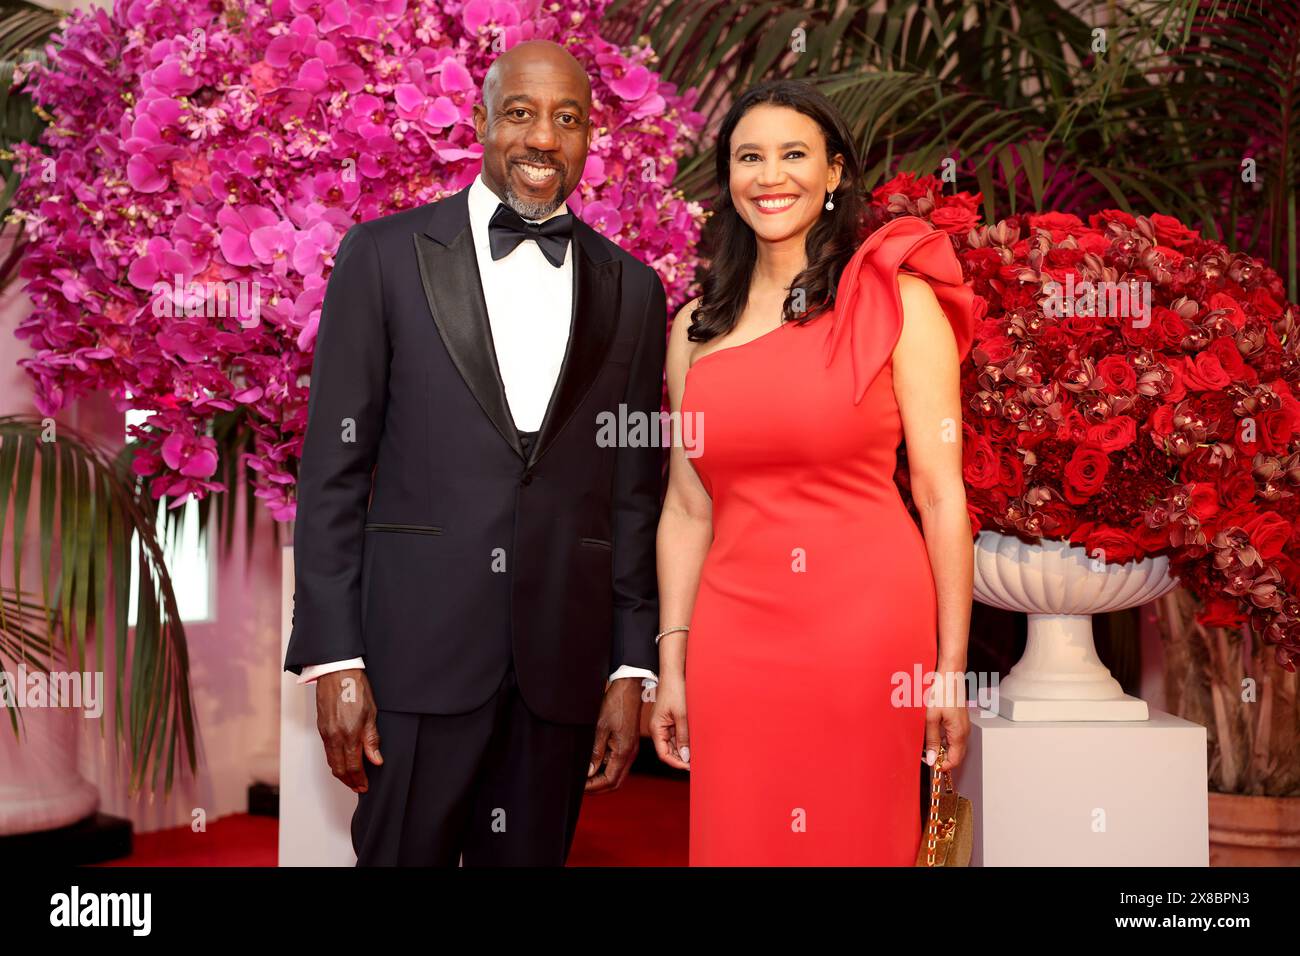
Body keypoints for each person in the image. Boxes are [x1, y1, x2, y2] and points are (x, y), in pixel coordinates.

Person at [284, 39, 666, 866]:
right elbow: (333, 474)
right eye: (521, 114)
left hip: (561, 670)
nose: (543, 139)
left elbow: (635, 496)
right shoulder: (381, 256)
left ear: (591, 137)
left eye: (568, 120)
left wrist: (632, 668)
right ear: (481, 120)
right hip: (411, 659)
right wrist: (334, 660)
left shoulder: (634, 290)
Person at [650, 79, 975, 865]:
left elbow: (940, 493)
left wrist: (950, 671)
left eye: (794, 155)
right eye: (749, 157)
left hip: (863, 628)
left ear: (834, 173)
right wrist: (673, 662)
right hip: (732, 634)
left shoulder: (897, 303)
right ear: (727, 178)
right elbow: (688, 509)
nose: (771, 176)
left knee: (853, 833)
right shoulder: (694, 332)